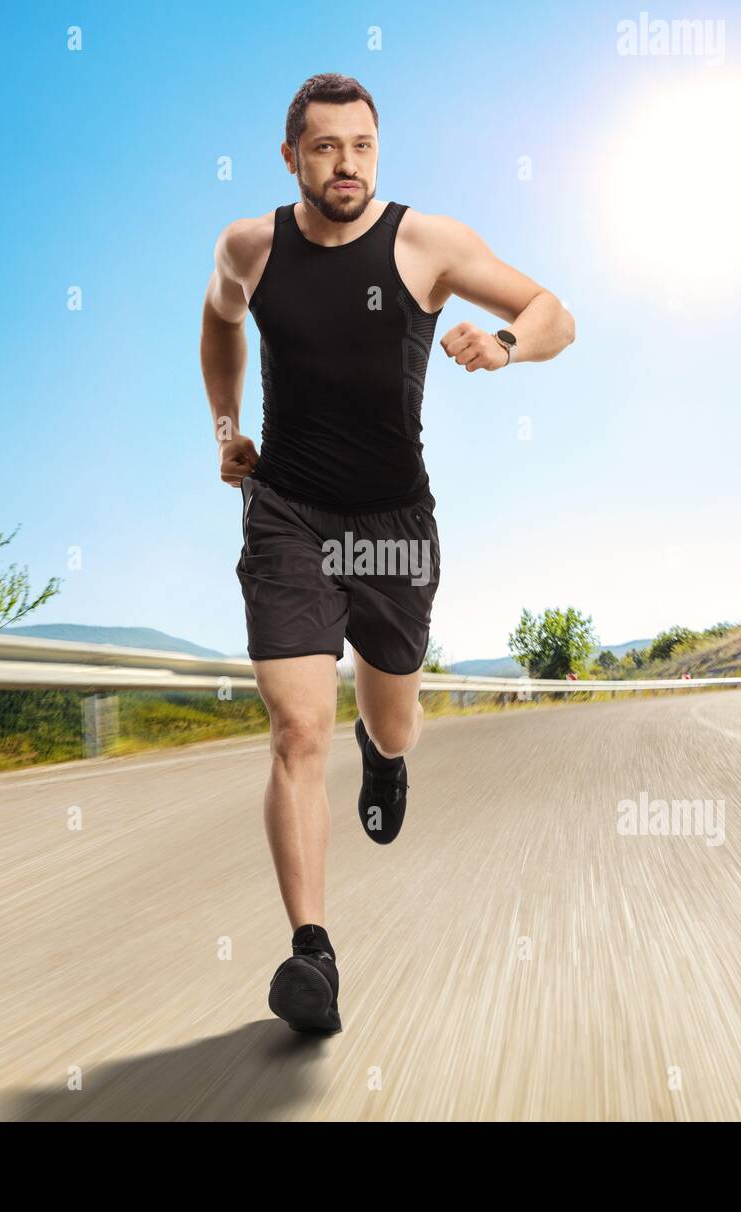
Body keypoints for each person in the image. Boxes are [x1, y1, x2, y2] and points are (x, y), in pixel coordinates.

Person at [200, 72, 575, 1034]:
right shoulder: (250, 246)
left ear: (378, 150)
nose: (347, 165)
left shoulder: (425, 244)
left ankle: (384, 753)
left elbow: (554, 312)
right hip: (288, 514)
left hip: (395, 529)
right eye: (326, 147)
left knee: (392, 718)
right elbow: (219, 318)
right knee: (297, 728)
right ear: (291, 156)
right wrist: (227, 430)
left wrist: (505, 343)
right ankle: (311, 954)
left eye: (361, 146)